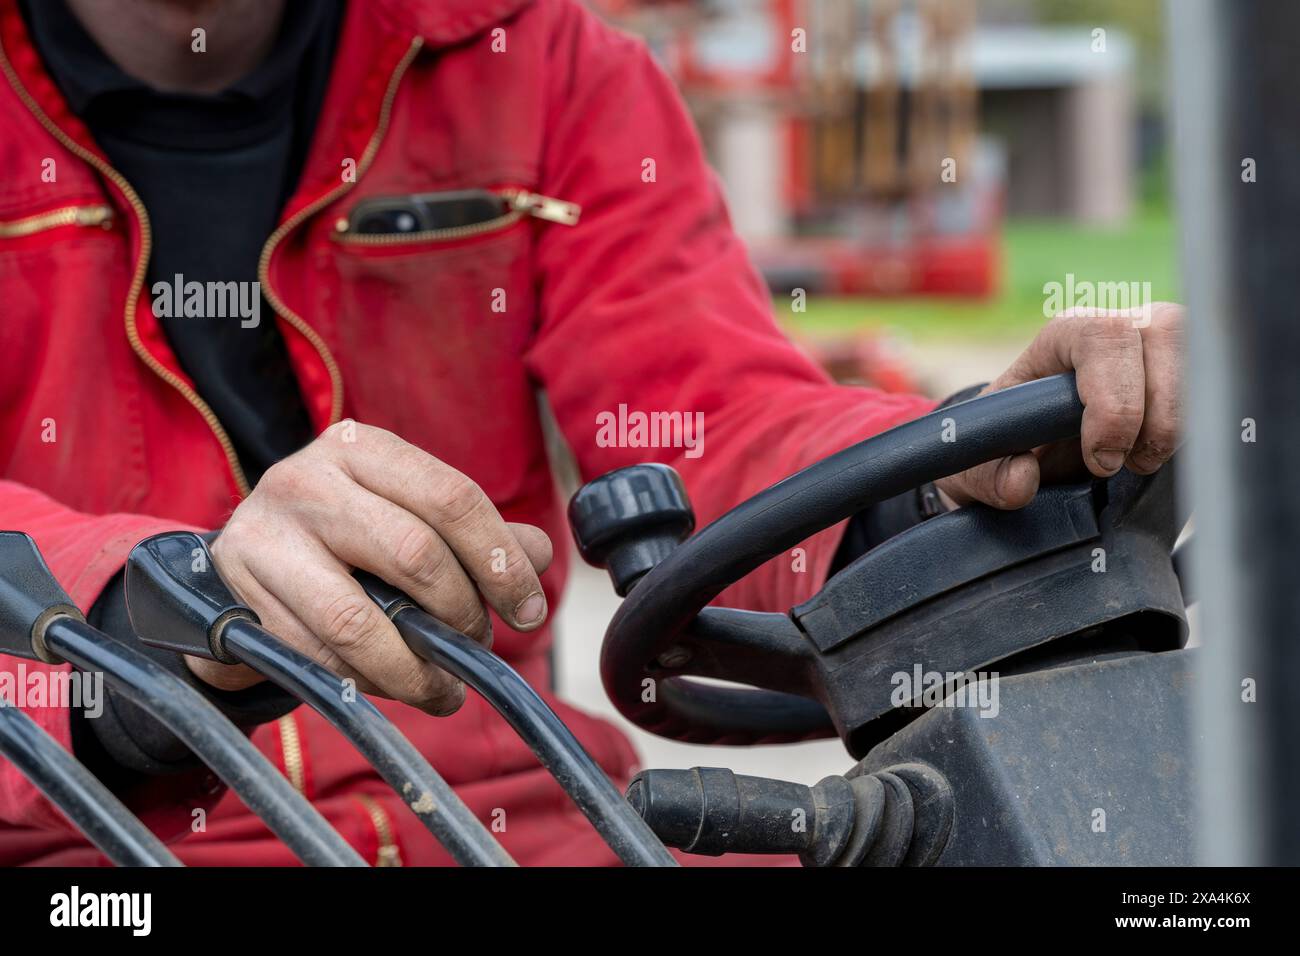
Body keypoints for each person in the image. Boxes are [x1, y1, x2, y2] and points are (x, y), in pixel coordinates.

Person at [0, 0, 1183, 866]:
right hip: (87, 842)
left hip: (506, 812)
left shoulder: (539, 60)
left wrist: (950, 470)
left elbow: (710, 408)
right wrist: (160, 604)